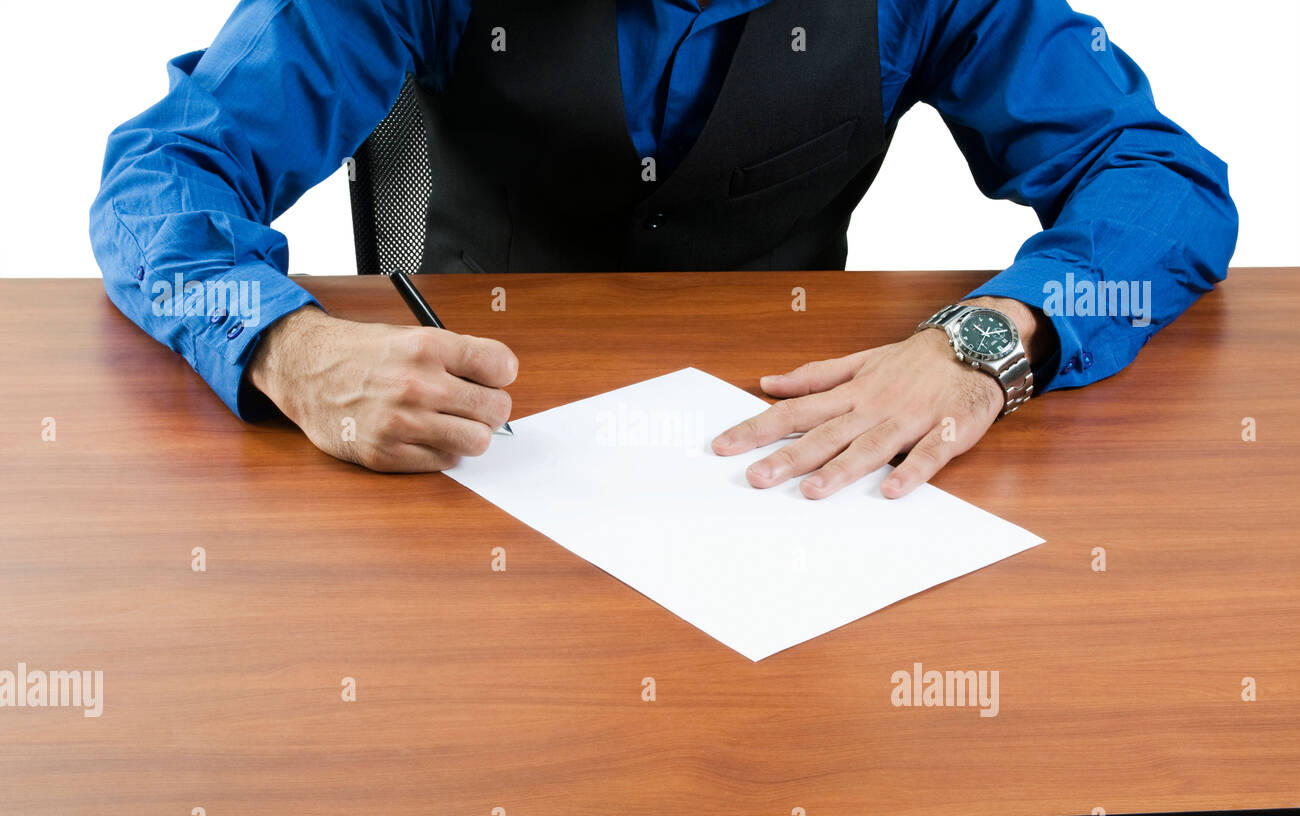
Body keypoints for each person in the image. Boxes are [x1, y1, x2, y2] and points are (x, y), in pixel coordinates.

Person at [90, 0, 1237, 498]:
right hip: (462, 461)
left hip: (782, 463)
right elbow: (162, 176)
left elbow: (1159, 179)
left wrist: (987, 339)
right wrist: (286, 347)